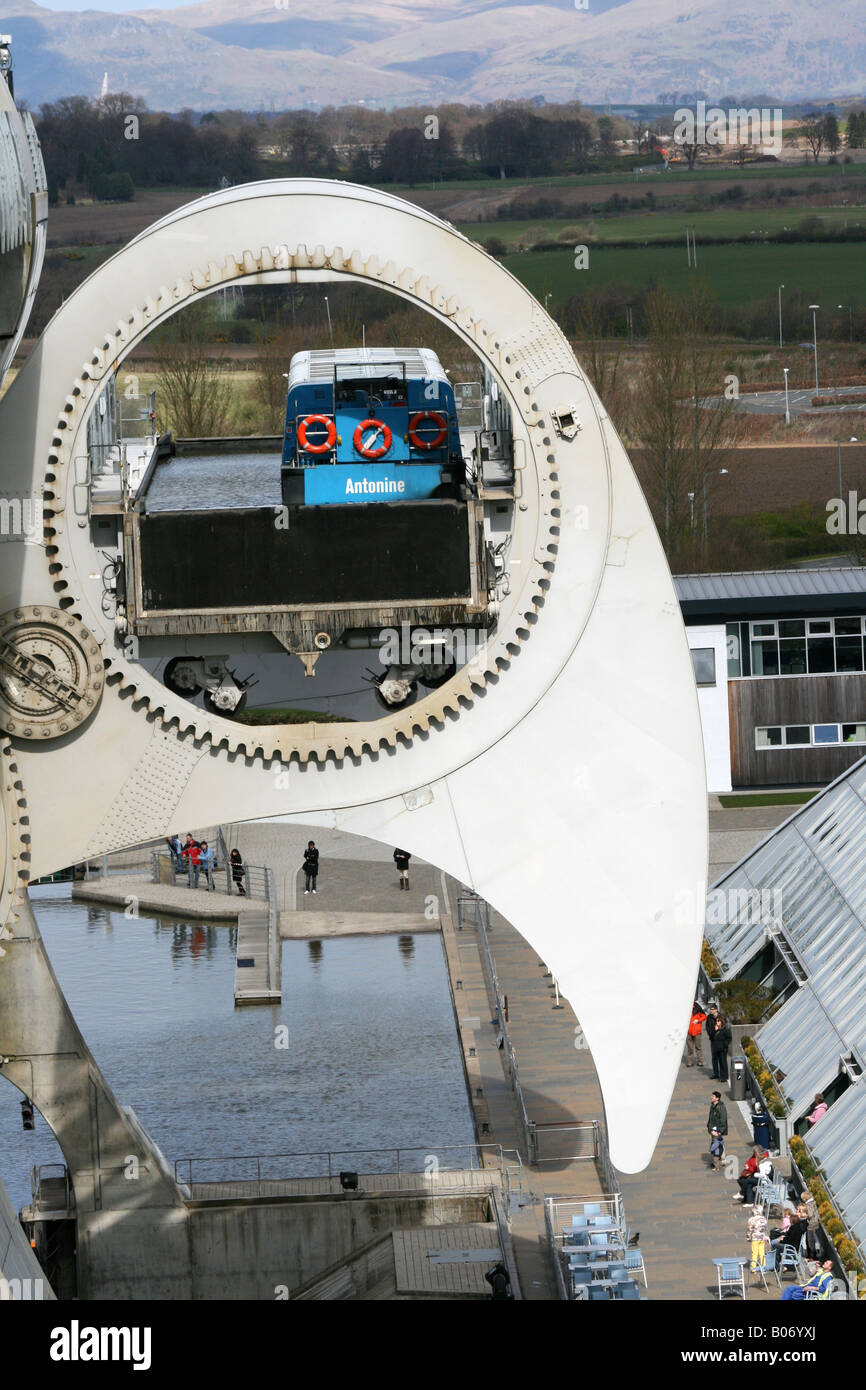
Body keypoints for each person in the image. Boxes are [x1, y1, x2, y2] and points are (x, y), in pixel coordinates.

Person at [800, 1190, 823, 1260]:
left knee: (810, 1240)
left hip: (811, 1224)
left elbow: (810, 1214)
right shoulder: (813, 1202)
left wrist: (804, 1215)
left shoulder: (809, 1205)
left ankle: (812, 1255)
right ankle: (816, 1253)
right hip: (816, 1222)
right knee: (815, 1239)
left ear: (805, 1198)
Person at [710, 1013, 732, 1083]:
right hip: (716, 1048)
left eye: (718, 1021)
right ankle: (721, 1075)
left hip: (722, 1049)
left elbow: (729, 1038)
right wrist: (715, 1030)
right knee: (719, 1062)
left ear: (722, 1022)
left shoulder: (725, 1029)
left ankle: (724, 1076)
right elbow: (711, 1037)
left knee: (723, 1062)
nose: (717, 1022)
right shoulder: (716, 1028)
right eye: (716, 1021)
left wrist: (724, 1045)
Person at [746, 1205, 768, 1272]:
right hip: (762, 1238)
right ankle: (763, 1266)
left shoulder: (751, 1220)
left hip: (755, 1238)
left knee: (754, 1253)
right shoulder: (763, 1219)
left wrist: (749, 1237)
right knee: (762, 1252)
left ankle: (753, 1268)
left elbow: (749, 1230)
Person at [686, 1001, 707, 1067]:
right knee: (690, 1048)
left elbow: (704, 1016)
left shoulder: (697, 1008)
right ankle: (690, 1062)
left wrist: (698, 1020)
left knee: (698, 1048)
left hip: (697, 1032)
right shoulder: (685, 1008)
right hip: (688, 1032)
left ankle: (700, 1061)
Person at [705, 1003, 721, 1074]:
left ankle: (722, 1073)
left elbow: (725, 1027)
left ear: (716, 1010)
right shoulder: (709, 1017)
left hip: (720, 1040)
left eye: (712, 1009)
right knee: (714, 1057)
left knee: (721, 1057)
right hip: (713, 1039)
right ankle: (715, 1073)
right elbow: (707, 1027)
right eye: (710, 1009)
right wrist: (710, 1034)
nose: (710, 1011)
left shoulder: (721, 1016)